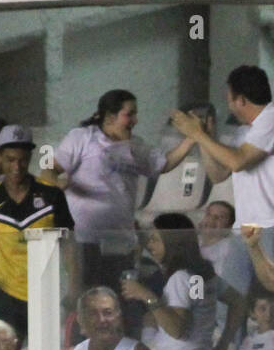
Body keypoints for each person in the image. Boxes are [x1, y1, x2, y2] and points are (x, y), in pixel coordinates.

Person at [52, 89, 194, 291]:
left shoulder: (136, 146)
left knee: (118, 299)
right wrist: (54, 188)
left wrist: (193, 139)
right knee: (86, 297)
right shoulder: (82, 138)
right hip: (85, 241)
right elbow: (50, 167)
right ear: (110, 117)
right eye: (130, 114)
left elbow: (164, 163)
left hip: (120, 242)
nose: (135, 120)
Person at [171, 67, 274, 270]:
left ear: (240, 100)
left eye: (229, 98)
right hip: (244, 230)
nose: (229, 106)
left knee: (272, 298)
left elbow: (238, 161)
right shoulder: (245, 132)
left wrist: (198, 134)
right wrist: (204, 138)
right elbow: (218, 174)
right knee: (232, 299)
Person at [0, 125, 76, 341]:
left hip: (46, 291)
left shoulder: (52, 195)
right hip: (5, 293)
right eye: (10, 160)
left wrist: (74, 286)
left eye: (22, 160)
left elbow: (69, 245)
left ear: (30, 158)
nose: (16, 166)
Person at [125, 212, 241, 350]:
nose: (150, 245)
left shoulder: (180, 278)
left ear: (172, 242)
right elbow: (238, 301)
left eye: (156, 239)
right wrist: (223, 343)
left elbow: (177, 329)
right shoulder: (202, 275)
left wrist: (145, 295)